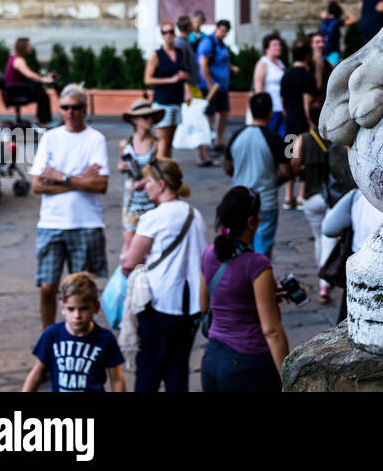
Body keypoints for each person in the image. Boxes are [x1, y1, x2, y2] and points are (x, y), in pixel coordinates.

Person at [120, 158, 205, 393]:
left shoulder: (153, 218)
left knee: (148, 370)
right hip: (190, 306)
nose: (145, 186)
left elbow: (129, 261)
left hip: (159, 303)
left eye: (148, 181)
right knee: (178, 370)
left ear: (161, 184)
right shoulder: (194, 214)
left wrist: (128, 234)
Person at [30, 85, 109, 329]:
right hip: (52, 223)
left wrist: (61, 177)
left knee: (83, 291)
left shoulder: (96, 139)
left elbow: (100, 185)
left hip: (85, 223)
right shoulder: (51, 138)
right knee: (47, 286)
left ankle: (82, 335)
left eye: (75, 107)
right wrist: (79, 180)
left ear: (84, 109)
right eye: (65, 107)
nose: (70, 112)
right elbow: (38, 186)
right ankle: (48, 336)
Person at [200, 186, 289, 391]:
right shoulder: (257, 264)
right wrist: (288, 378)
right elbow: (272, 331)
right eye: (259, 217)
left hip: (212, 358)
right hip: (247, 364)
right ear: (251, 222)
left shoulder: (209, 253)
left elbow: (204, 304)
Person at [23, 273, 125, 393]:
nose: (77, 316)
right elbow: (36, 374)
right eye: (71, 309)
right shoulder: (52, 335)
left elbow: (116, 378)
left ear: (96, 307)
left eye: (84, 308)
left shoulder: (105, 339)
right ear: (62, 308)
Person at [225, 92, 290, 259]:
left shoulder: (236, 136)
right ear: (270, 112)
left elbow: (228, 167)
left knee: (240, 250)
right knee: (262, 252)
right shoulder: (275, 139)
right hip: (265, 201)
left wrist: (241, 175)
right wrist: (273, 181)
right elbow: (285, 171)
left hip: (240, 202)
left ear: (250, 110)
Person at [291, 120, 343, 304]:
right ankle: (324, 283)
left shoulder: (300, 140)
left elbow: (293, 167)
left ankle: (323, 276)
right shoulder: (335, 137)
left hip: (310, 196)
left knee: (318, 237)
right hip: (331, 196)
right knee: (328, 237)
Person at [117, 99, 161, 258]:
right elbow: (120, 164)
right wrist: (122, 167)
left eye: (151, 117)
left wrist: (146, 179)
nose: (150, 120)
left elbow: (162, 169)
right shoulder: (126, 143)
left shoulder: (157, 144)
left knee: (150, 246)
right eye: (145, 117)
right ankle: (128, 279)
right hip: (132, 199)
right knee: (129, 243)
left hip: (152, 199)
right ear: (135, 120)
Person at [280, 37, 319, 209]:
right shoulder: (307, 76)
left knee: (289, 156)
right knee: (304, 158)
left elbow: (282, 100)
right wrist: (311, 123)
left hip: (289, 121)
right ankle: (302, 196)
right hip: (302, 123)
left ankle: (288, 196)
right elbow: (307, 102)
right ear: (307, 56)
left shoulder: (286, 75)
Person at [144, 21, 189, 161]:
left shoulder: (180, 53)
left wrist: (185, 81)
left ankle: (168, 174)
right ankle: (159, 175)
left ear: (175, 34)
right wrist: (170, 80)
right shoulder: (156, 55)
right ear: (162, 35)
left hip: (177, 100)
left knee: (170, 142)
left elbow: (185, 72)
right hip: (162, 102)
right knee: (162, 142)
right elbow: (148, 80)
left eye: (171, 32)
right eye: (165, 32)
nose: (168, 35)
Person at [198, 19, 238, 153]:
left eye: (226, 31)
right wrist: (210, 85)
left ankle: (218, 141)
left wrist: (231, 68)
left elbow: (220, 61)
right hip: (210, 86)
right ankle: (206, 142)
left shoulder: (221, 44)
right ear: (216, 29)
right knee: (209, 115)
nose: (223, 33)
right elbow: (203, 64)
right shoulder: (208, 42)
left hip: (222, 86)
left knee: (224, 112)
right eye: (222, 30)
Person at [3, 37, 58, 126]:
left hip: (15, 90)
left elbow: (30, 75)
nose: (31, 47)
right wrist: (44, 79)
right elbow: (29, 74)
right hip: (16, 91)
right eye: (29, 45)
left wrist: (43, 78)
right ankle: (41, 122)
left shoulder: (15, 58)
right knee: (42, 94)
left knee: (40, 91)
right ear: (23, 47)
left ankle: (40, 120)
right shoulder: (18, 60)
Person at [252, 34, 287, 141]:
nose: (279, 47)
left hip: (281, 108)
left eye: (279, 45)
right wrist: (263, 109)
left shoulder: (280, 63)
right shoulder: (263, 63)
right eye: (275, 45)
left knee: (282, 138)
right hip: (270, 109)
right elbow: (258, 88)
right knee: (269, 137)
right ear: (267, 48)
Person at [319, 1, 356, 66]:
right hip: (334, 52)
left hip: (323, 51)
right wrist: (343, 11)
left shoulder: (323, 21)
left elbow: (322, 14)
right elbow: (353, 19)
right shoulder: (337, 22)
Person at [308, 32, 332, 123]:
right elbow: (316, 88)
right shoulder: (307, 65)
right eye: (317, 42)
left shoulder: (328, 64)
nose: (321, 45)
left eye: (322, 42)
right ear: (310, 45)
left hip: (327, 108)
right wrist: (318, 65)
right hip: (313, 111)